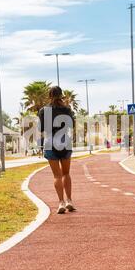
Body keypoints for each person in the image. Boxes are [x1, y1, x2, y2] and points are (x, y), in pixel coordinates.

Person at [38, 86, 76, 214]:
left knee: (57, 175)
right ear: (61, 95)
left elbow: (41, 129)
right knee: (66, 173)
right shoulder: (67, 109)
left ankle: (61, 202)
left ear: (49, 96)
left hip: (50, 143)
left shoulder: (44, 110)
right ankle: (69, 200)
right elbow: (72, 125)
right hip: (65, 141)